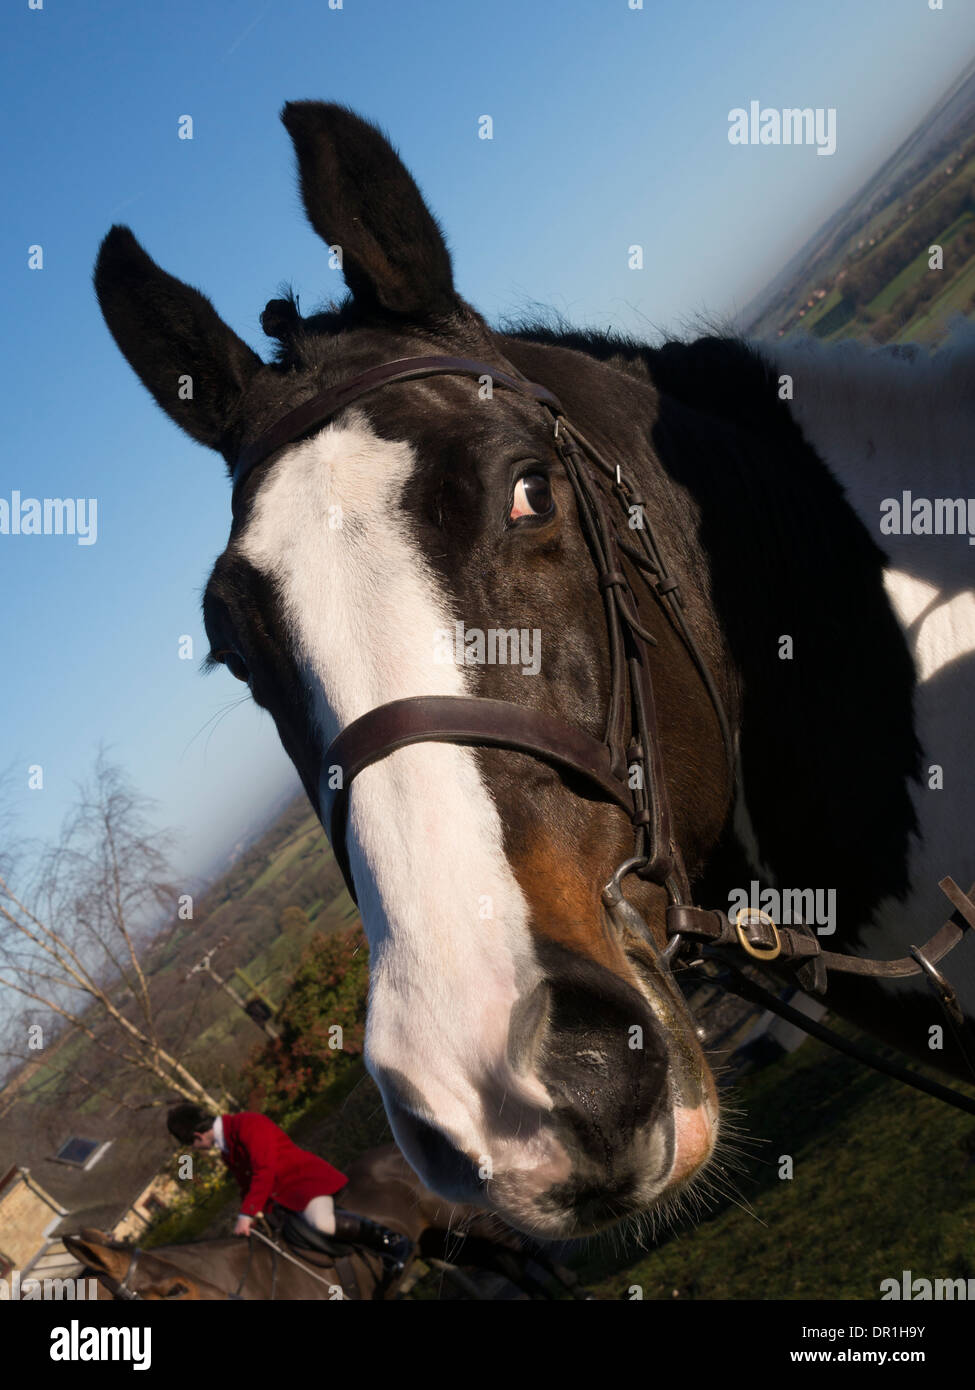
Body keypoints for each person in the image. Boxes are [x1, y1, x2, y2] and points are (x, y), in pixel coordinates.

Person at [167, 1104, 412, 1270]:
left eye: (191, 1146)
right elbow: (247, 1187)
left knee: (321, 1222)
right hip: (284, 1202)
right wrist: (249, 1221)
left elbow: (264, 1171)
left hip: (306, 1185)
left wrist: (247, 1213)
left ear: (197, 1137)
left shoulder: (247, 1124)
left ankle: (391, 1240)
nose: (194, 1151)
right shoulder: (227, 1150)